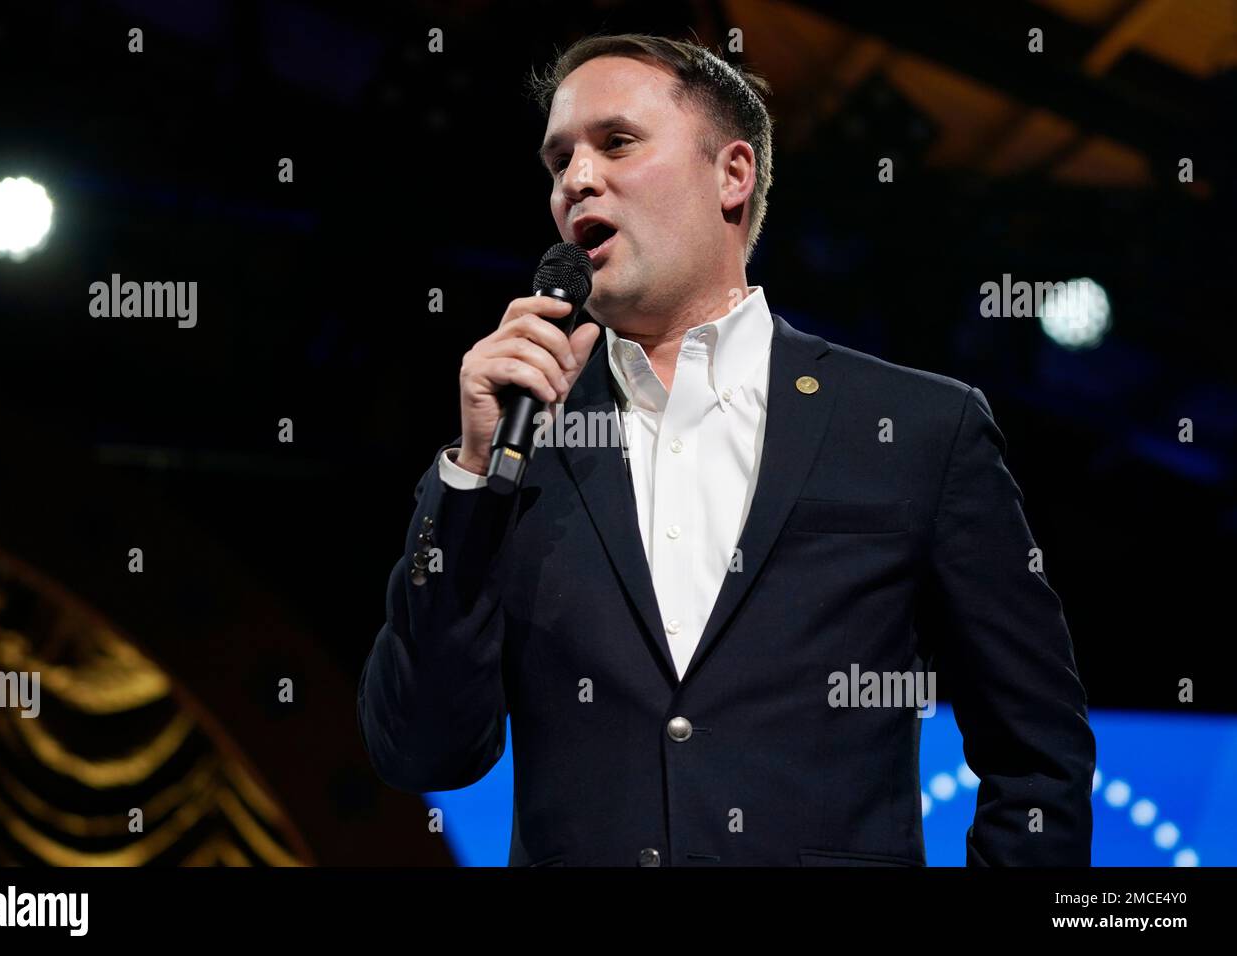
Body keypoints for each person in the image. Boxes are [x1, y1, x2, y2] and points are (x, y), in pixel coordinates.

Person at [358, 33, 1095, 867]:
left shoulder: (919, 427)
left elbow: (1039, 757)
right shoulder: (518, 443)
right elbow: (420, 752)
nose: (576, 180)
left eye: (616, 143)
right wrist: (470, 476)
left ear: (732, 175)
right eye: (558, 160)